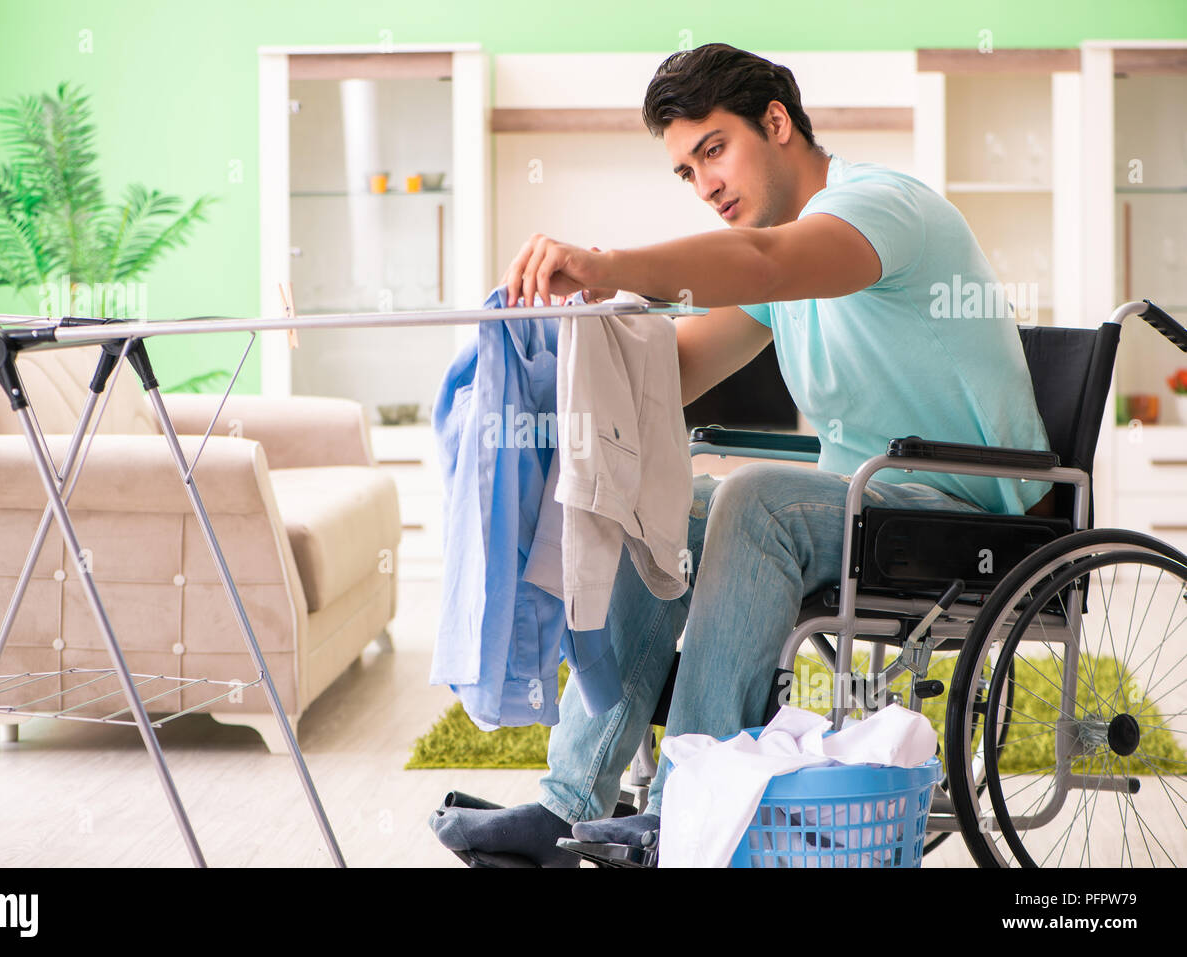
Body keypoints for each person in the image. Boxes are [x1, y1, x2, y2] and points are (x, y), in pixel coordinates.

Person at [429, 42, 1053, 867]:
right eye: (687, 171)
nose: (706, 184)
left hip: (974, 511)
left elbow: (765, 260)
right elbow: (668, 379)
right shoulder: (778, 257)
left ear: (777, 121)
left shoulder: (880, 207)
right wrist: (553, 355)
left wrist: (604, 264)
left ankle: (692, 802)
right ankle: (567, 800)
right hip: (867, 505)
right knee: (665, 498)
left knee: (753, 496)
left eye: (713, 149)